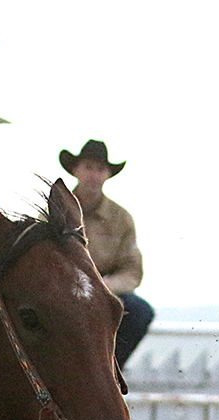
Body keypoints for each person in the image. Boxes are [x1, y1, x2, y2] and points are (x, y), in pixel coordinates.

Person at [60, 139, 152, 368]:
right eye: (88, 167)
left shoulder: (121, 218)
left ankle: (108, 369)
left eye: (100, 169)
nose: (93, 174)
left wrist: (105, 285)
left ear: (108, 174)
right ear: (76, 170)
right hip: (61, 287)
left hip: (104, 290)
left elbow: (132, 271)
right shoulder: (56, 210)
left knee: (140, 312)